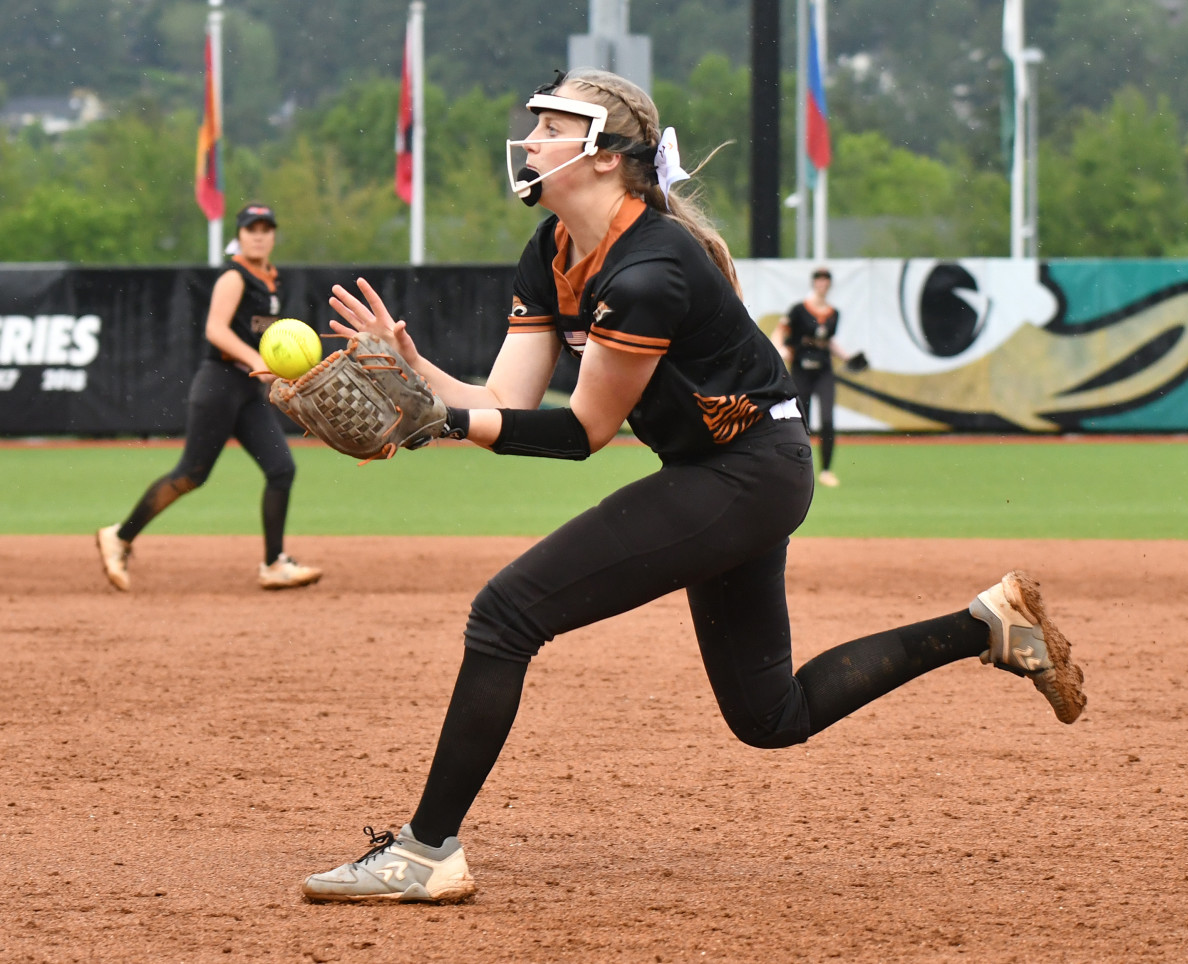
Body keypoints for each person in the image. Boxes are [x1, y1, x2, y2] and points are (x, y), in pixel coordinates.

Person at [300, 69, 1085, 904]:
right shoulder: (554, 250)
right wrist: (422, 381)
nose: (530, 140)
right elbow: (502, 404)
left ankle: (426, 852)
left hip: (750, 475)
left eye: (552, 127)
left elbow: (580, 436)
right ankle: (985, 627)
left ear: (607, 158)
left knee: (505, 616)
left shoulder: (651, 270)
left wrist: (441, 424)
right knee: (770, 716)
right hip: (723, 475)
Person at [95, 203, 322, 592]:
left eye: (266, 228)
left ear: (273, 236)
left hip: (248, 390)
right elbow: (216, 330)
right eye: (252, 228)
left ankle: (273, 563)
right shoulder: (233, 277)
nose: (259, 234)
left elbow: (265, 338)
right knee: (190, 475)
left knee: (281, 469)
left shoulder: (271, 281)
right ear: (240, 233)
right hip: (219, 384)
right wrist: (256, 359)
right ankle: (119, 536)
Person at [771, 267, 853, 487]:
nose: (822, 284)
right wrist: (779, 349)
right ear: (814, 283)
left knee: (827, 419)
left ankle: (826, 470)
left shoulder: (834, 314)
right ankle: (798, 469)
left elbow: (828, 342)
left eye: (826, 280)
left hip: (823, 371)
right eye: (819, 279)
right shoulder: (799, 310)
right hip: (801, 371)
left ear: (829, 284)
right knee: (801, 422)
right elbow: (781, 331)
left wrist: (847, 357)